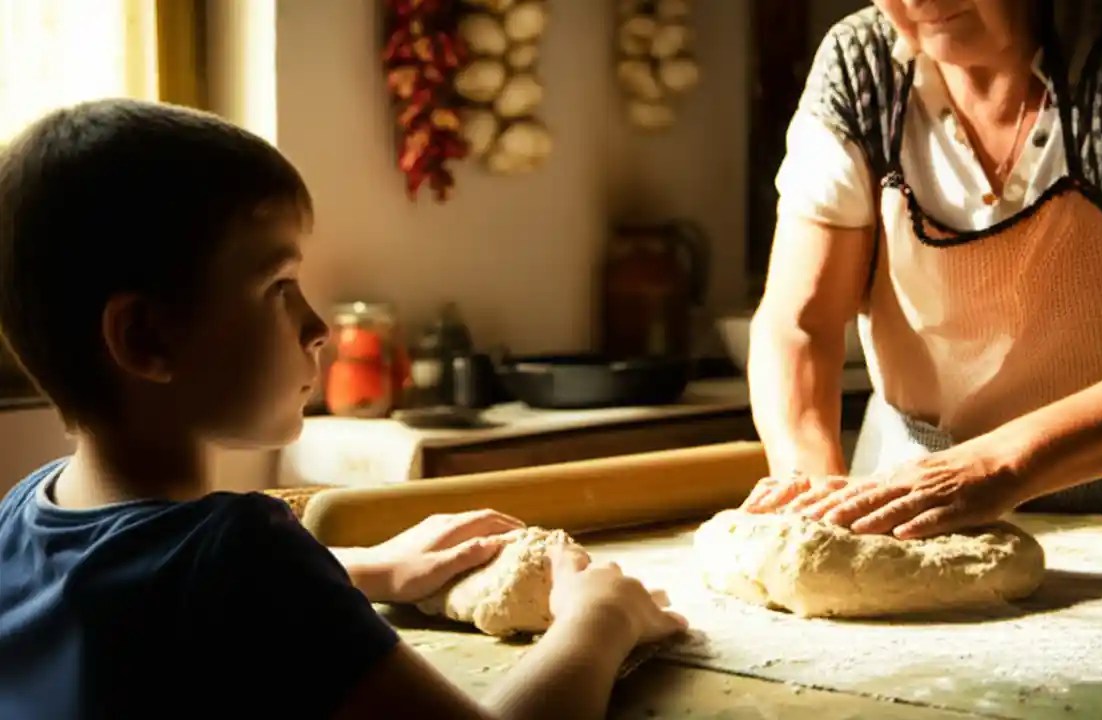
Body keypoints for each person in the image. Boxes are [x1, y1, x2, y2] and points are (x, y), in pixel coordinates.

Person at [0, 98, 685, 719]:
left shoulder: (20, 519)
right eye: (280, 285)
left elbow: (152, 595)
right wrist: (596, 623)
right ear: (147, 339)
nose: (318, 326)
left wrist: (356, 568)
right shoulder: (243, 555)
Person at [744, 0, 1102, 537]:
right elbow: (799, 322)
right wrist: (808, 487)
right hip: (913, 502)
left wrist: (997, 464)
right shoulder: (860, 64)